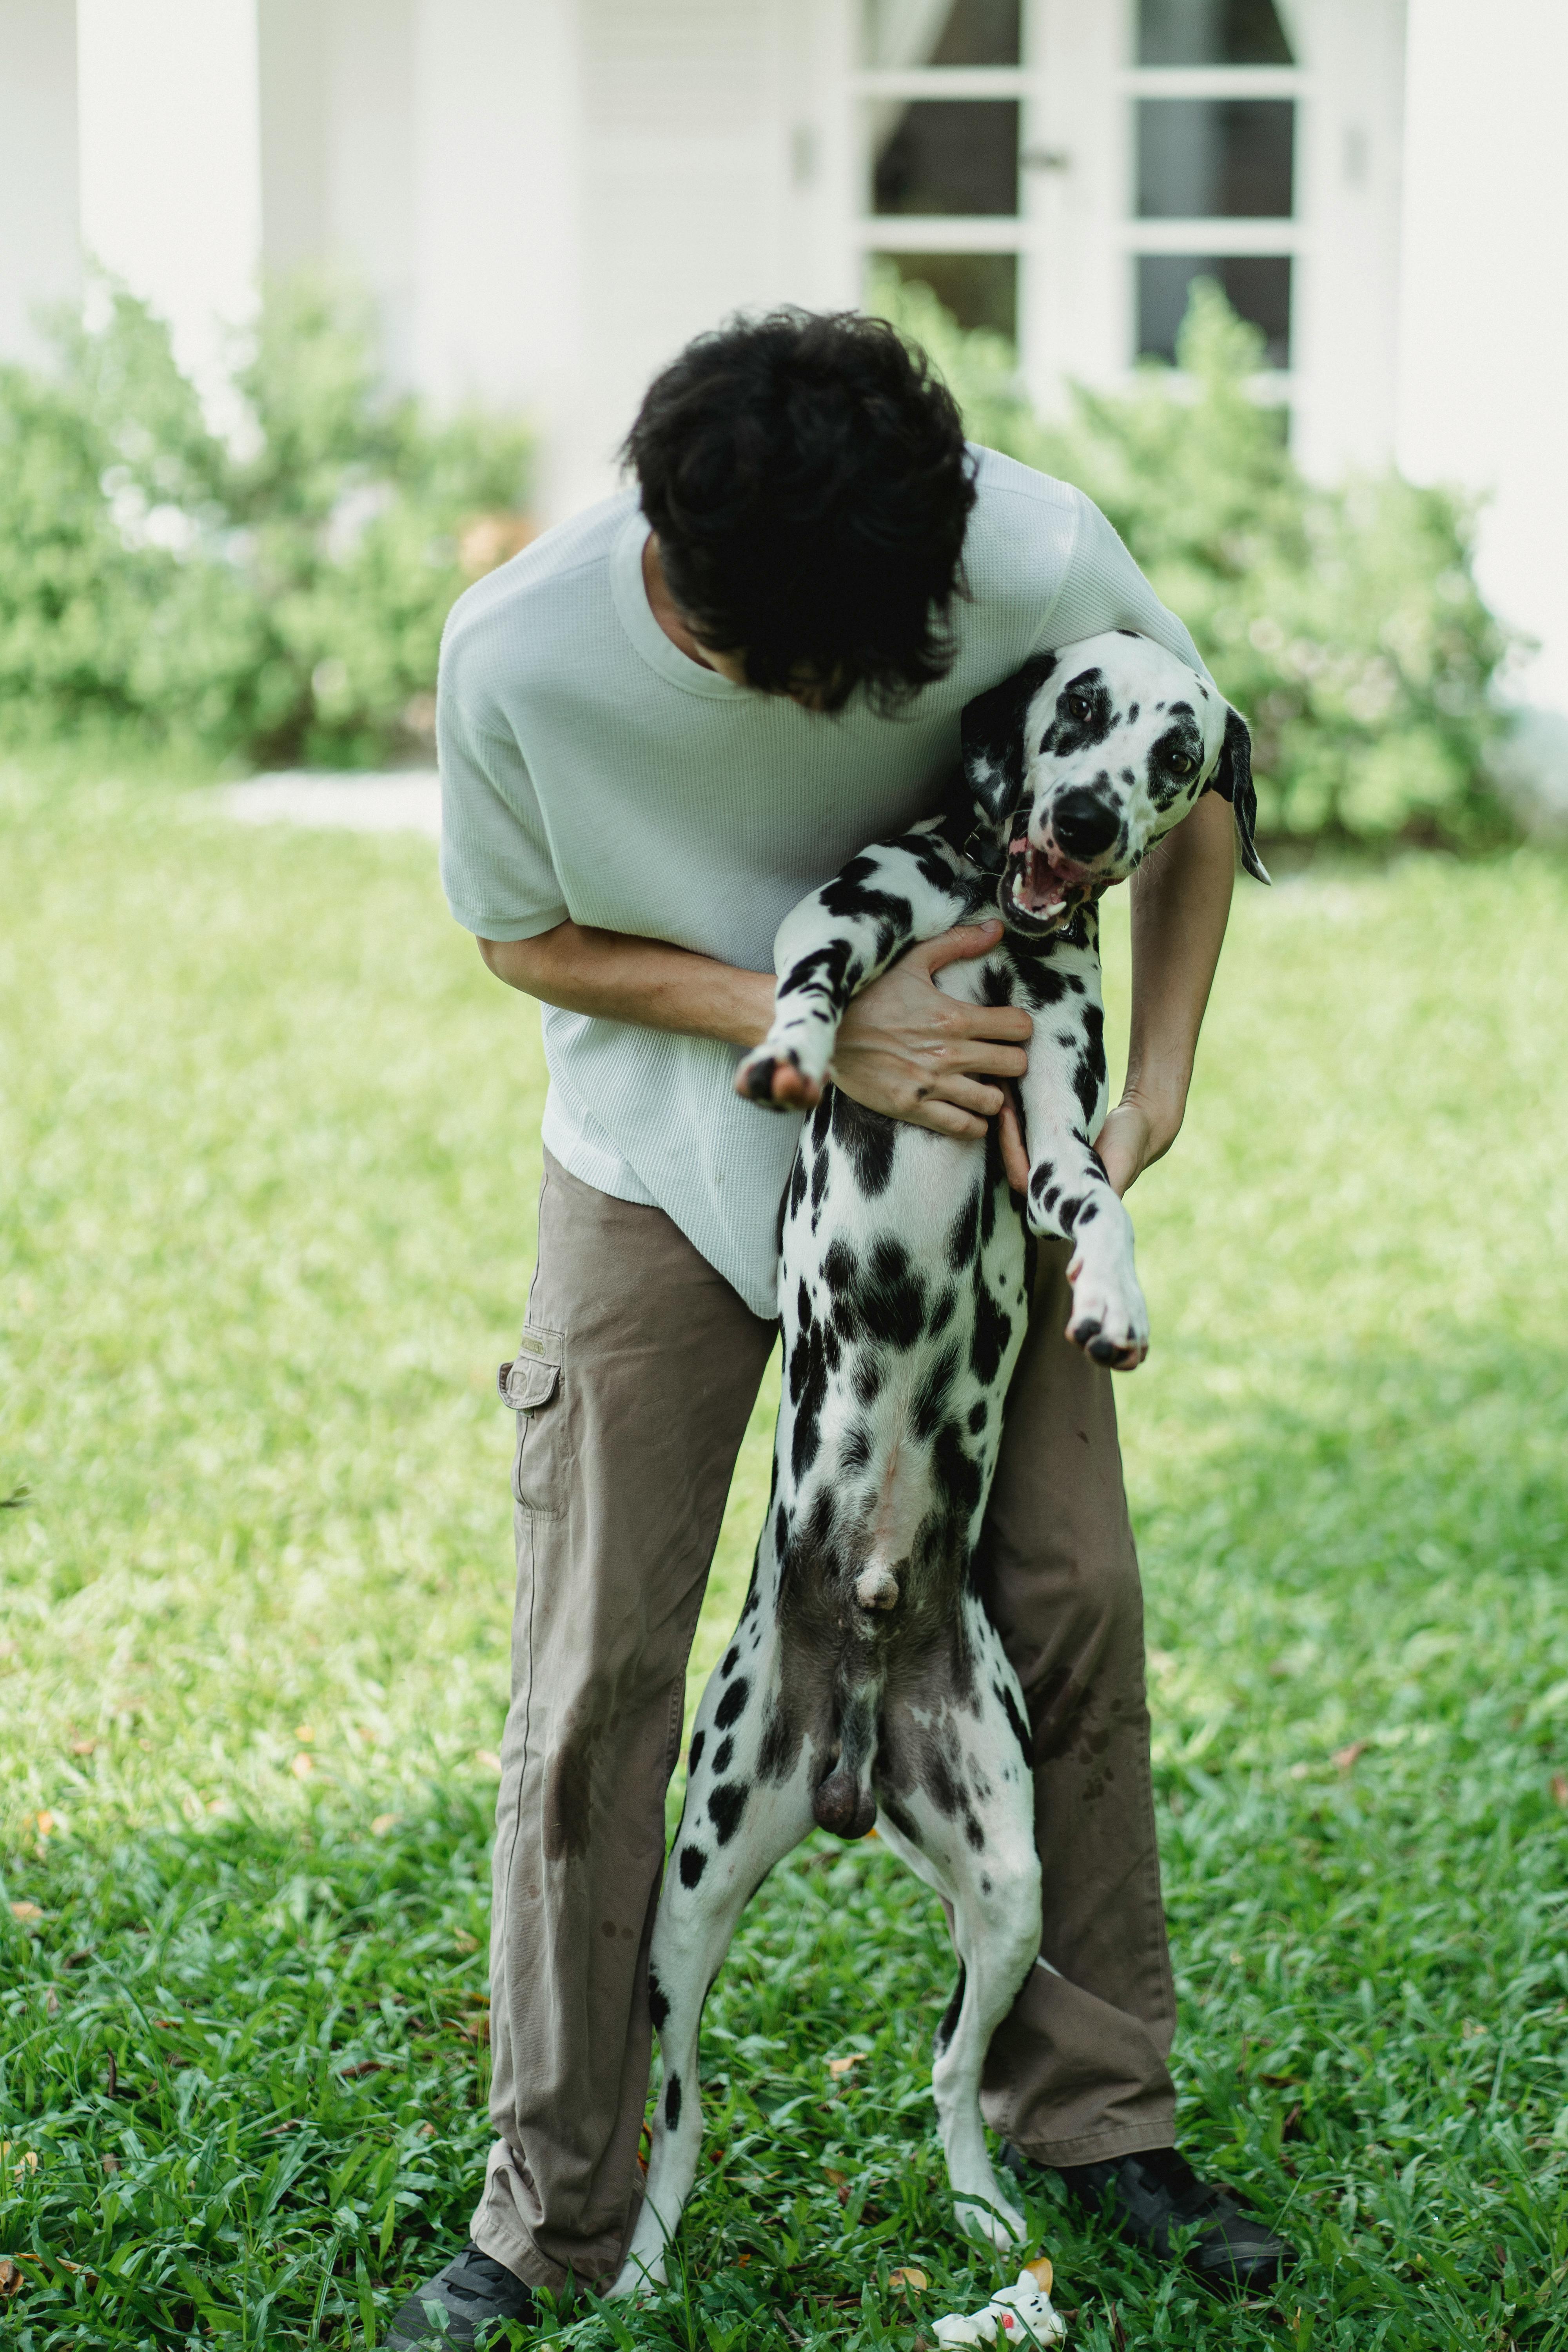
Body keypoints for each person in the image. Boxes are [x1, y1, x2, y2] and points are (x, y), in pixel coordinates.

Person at [387, 309, 1296, 2350]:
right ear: (683, 586)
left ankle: (1097, 2122)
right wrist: (806, 1020)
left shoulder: (1031, 551)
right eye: (800, 674)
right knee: (595, 1673)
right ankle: (553, 2202)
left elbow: (1207, 757)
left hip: (960, 1175)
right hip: (659, 1165)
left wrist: (1159, 1079)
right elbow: (515, 933)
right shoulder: (519, 652)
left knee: (1069, 1601)